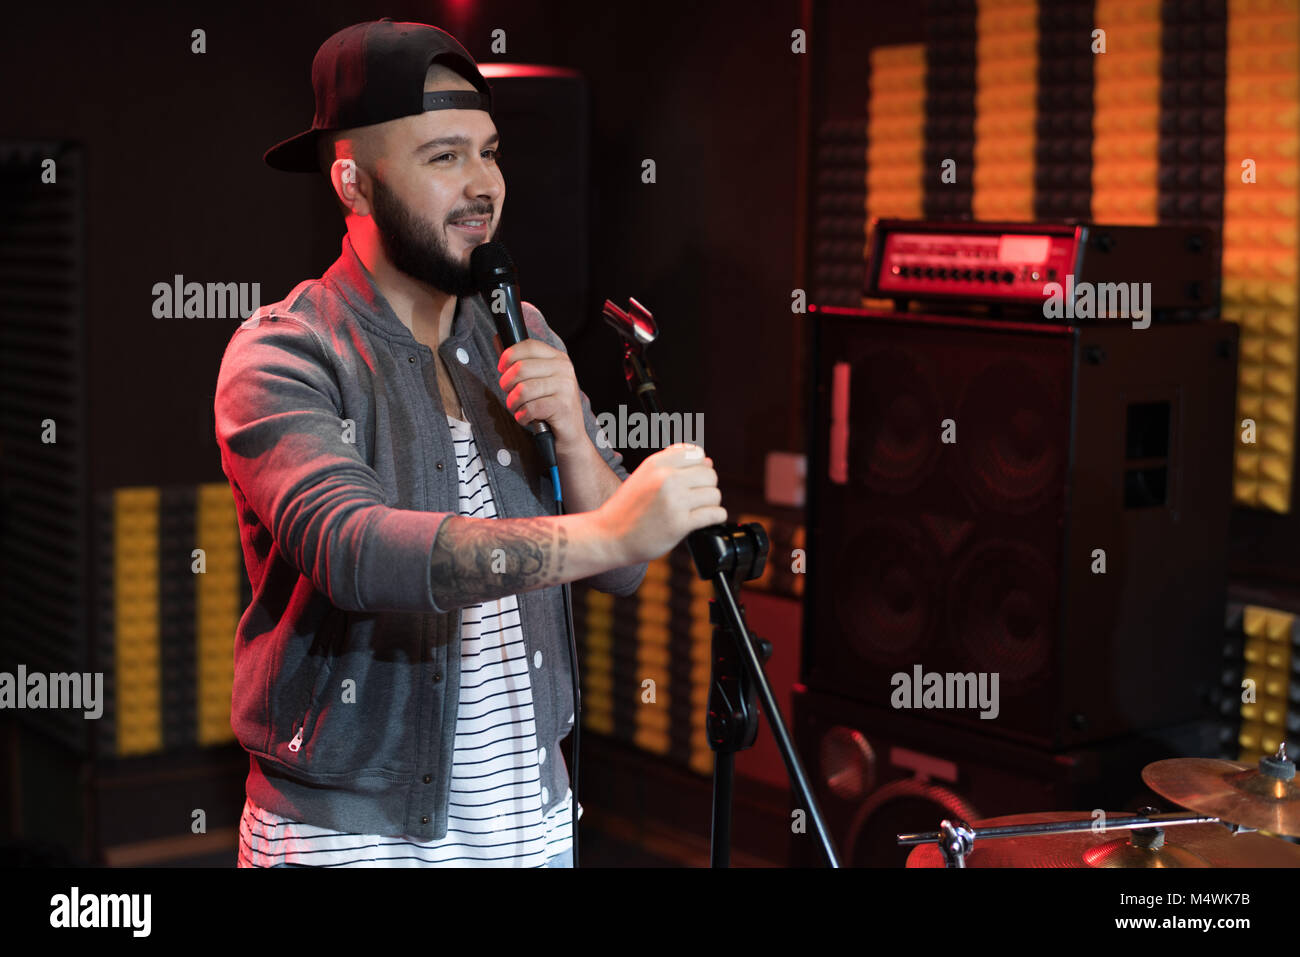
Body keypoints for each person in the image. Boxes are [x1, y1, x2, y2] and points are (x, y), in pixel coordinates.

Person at [214, 19, 724, 867]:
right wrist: (610, 528)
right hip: (352, 838)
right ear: (352, 183)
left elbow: (620, 566)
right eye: (443, 157)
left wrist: (574, 437)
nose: (482, 183)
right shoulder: (285, 350)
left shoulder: (520, 331)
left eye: (488, 153)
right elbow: (354, 550)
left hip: (530, 821)